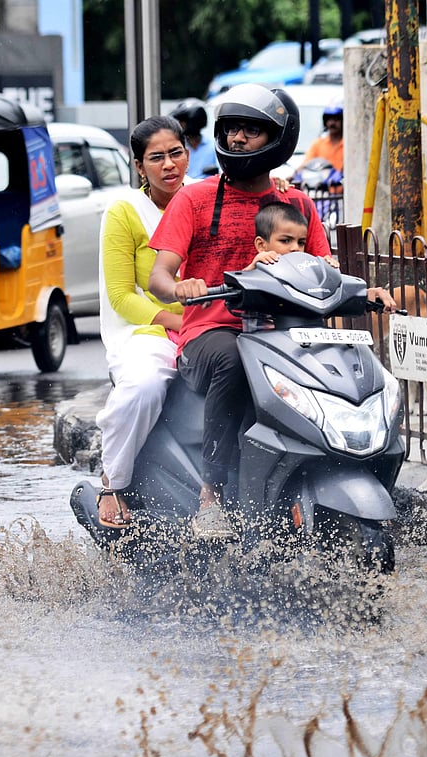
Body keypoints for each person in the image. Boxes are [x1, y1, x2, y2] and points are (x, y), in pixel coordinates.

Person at [148, 83, 395, 539]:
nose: (238, 139)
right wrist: (180, 285)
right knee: (232, 362)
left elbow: (324, 269)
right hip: (213, 331)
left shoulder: (296, 204)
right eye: (233, 129)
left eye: (252, 131)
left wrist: (367, 292)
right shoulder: (195, 199)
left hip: (287, 333)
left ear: (278, 139)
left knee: (354, 373)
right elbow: (158, 276)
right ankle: (213, 496)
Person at [92, 115, 190, 530]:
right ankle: (113, 481)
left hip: (213, 323)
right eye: (156, 158)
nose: (169, 165)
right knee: (143, 387)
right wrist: (173, 320)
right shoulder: (125, 212)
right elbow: (121, 296)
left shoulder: (205, 198)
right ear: (138, 166)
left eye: (176, 153)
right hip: (147, 330)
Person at [170, 98, 218, 178]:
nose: (179, 124)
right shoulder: (177, 148)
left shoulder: (213, 146)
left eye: (183, 121)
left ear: (194, 121)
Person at [296, 101, 344, 173]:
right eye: (329, 119)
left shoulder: (348, 146)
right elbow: (306, 164)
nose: (332, 123)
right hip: (319, 183)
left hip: (344, 184)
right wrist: (294, 175)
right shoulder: (318, 144)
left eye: (336, 119)